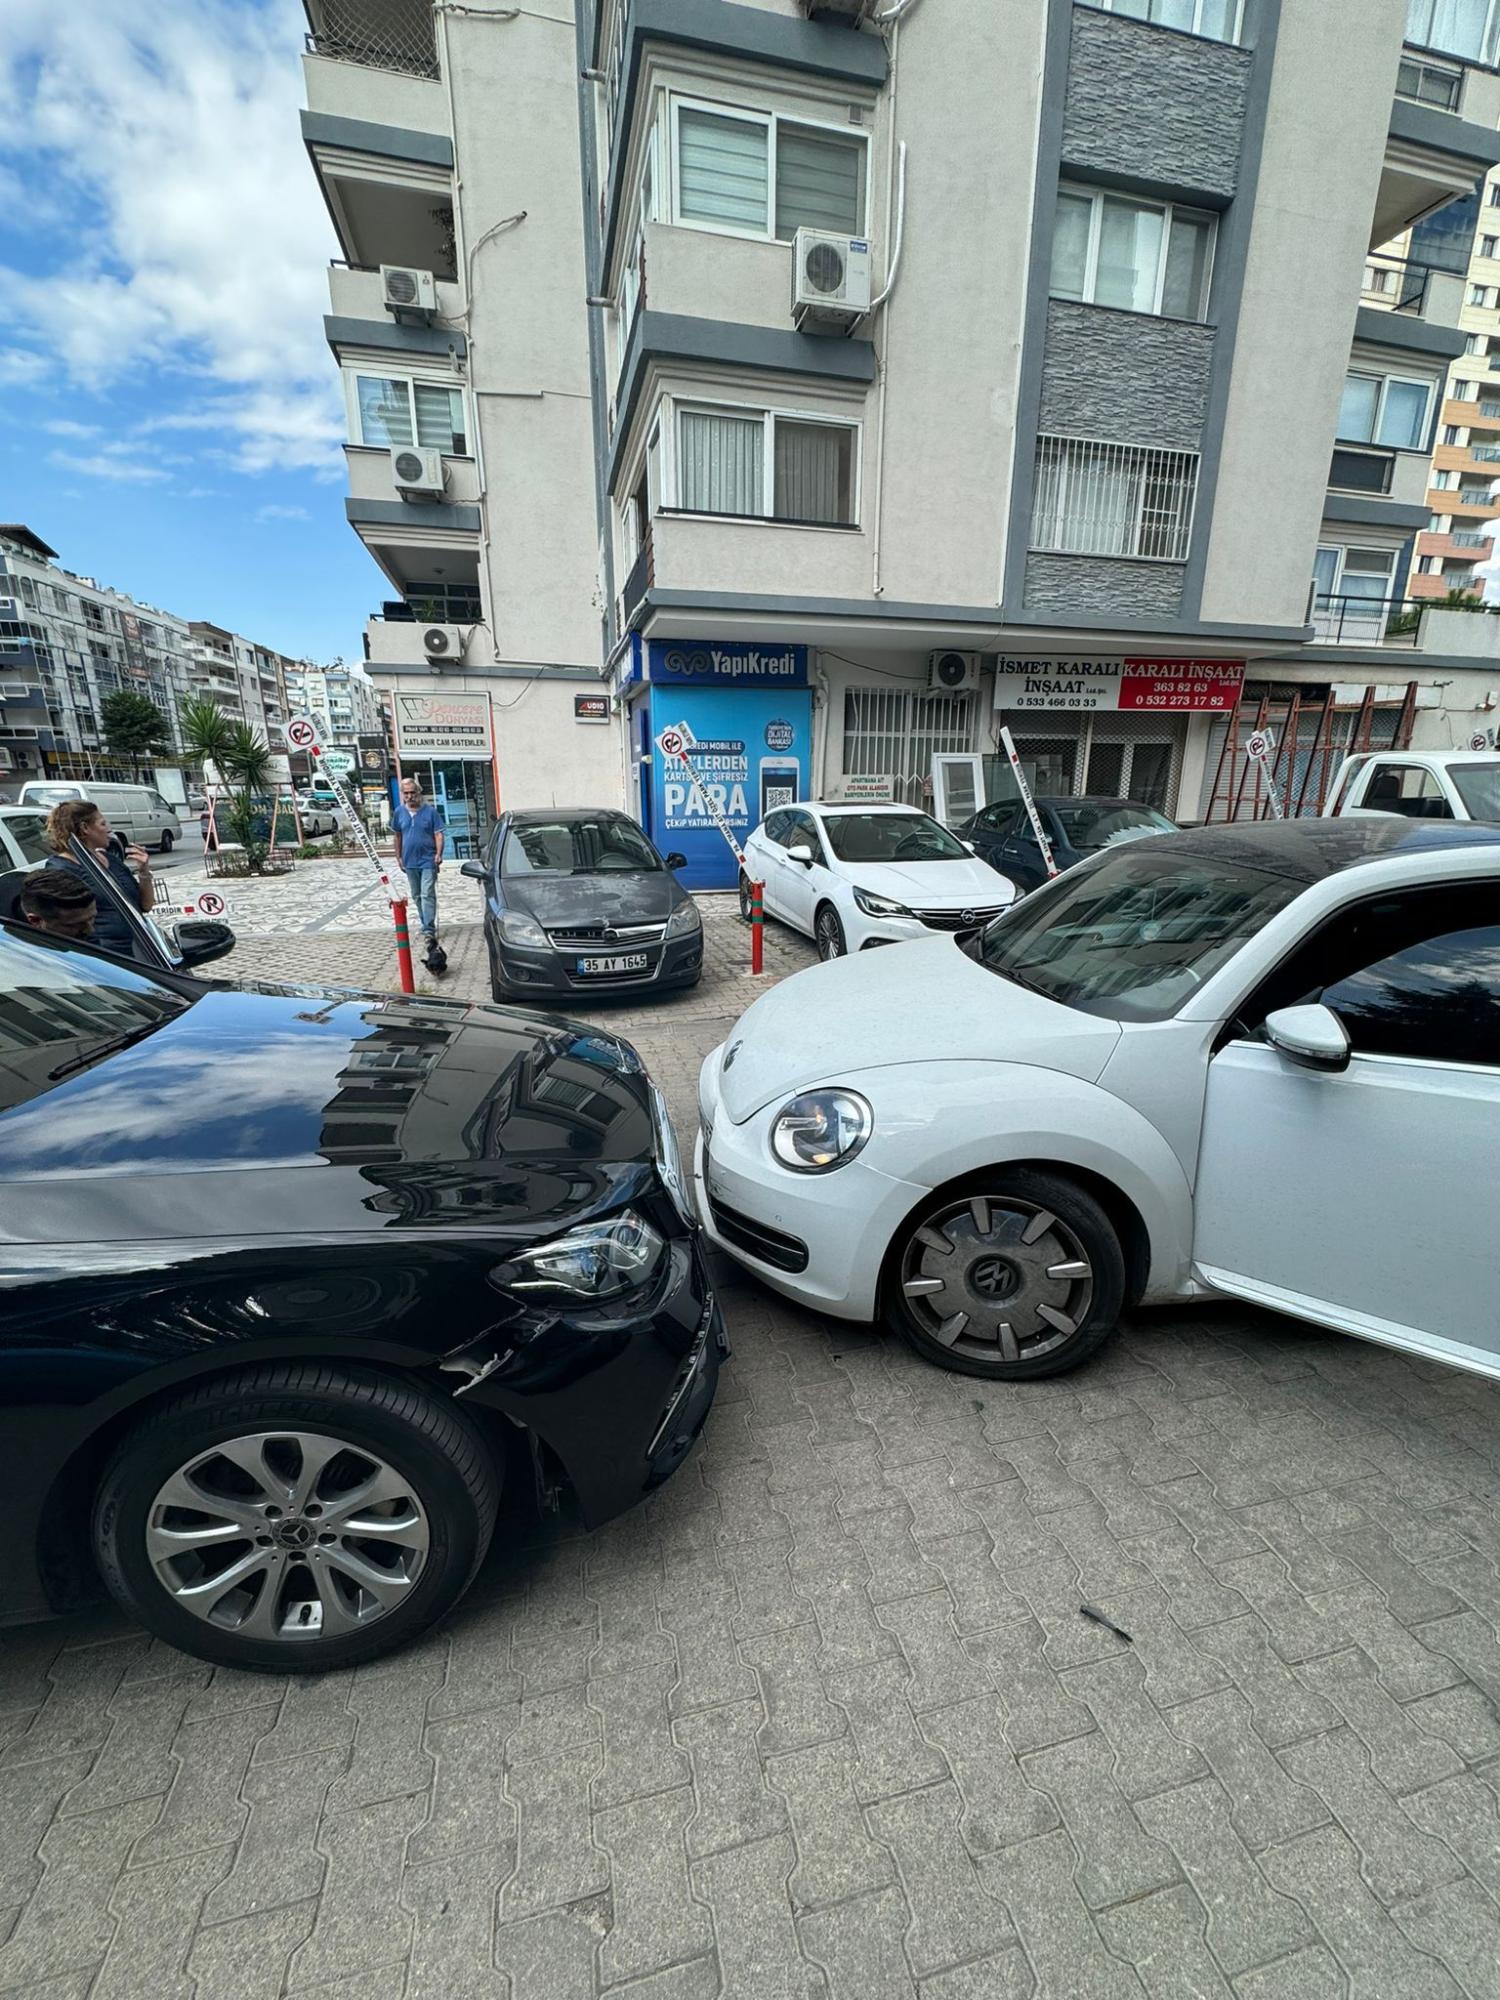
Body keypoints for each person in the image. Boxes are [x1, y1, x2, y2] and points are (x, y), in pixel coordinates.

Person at [44, 798, 156, 955]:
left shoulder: (111, 860)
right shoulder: (61, 869)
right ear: (85, 828)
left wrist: (144, 872)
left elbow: (145, 905)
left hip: (142, 949)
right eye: (103, 824)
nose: (109, 829)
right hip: (107, 955)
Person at [392, 777, 445, 944]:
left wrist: (439, 854)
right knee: (416, 895)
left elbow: (438, 834)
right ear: (402, 794)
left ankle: (429, 929)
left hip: (428, 859)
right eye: (406, 793)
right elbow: (397, 836)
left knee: (427, 893)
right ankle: (425, 923)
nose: (410, 796)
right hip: (409, 861)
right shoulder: (399, 812)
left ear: (419, 792)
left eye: (412, 792)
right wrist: (399, 857)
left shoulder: (431, 812)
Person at [17, 868, 98, 941]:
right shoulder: (14, 945)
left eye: (91, 918)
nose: (90, 930)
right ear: (36, 920)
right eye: (75, 925)